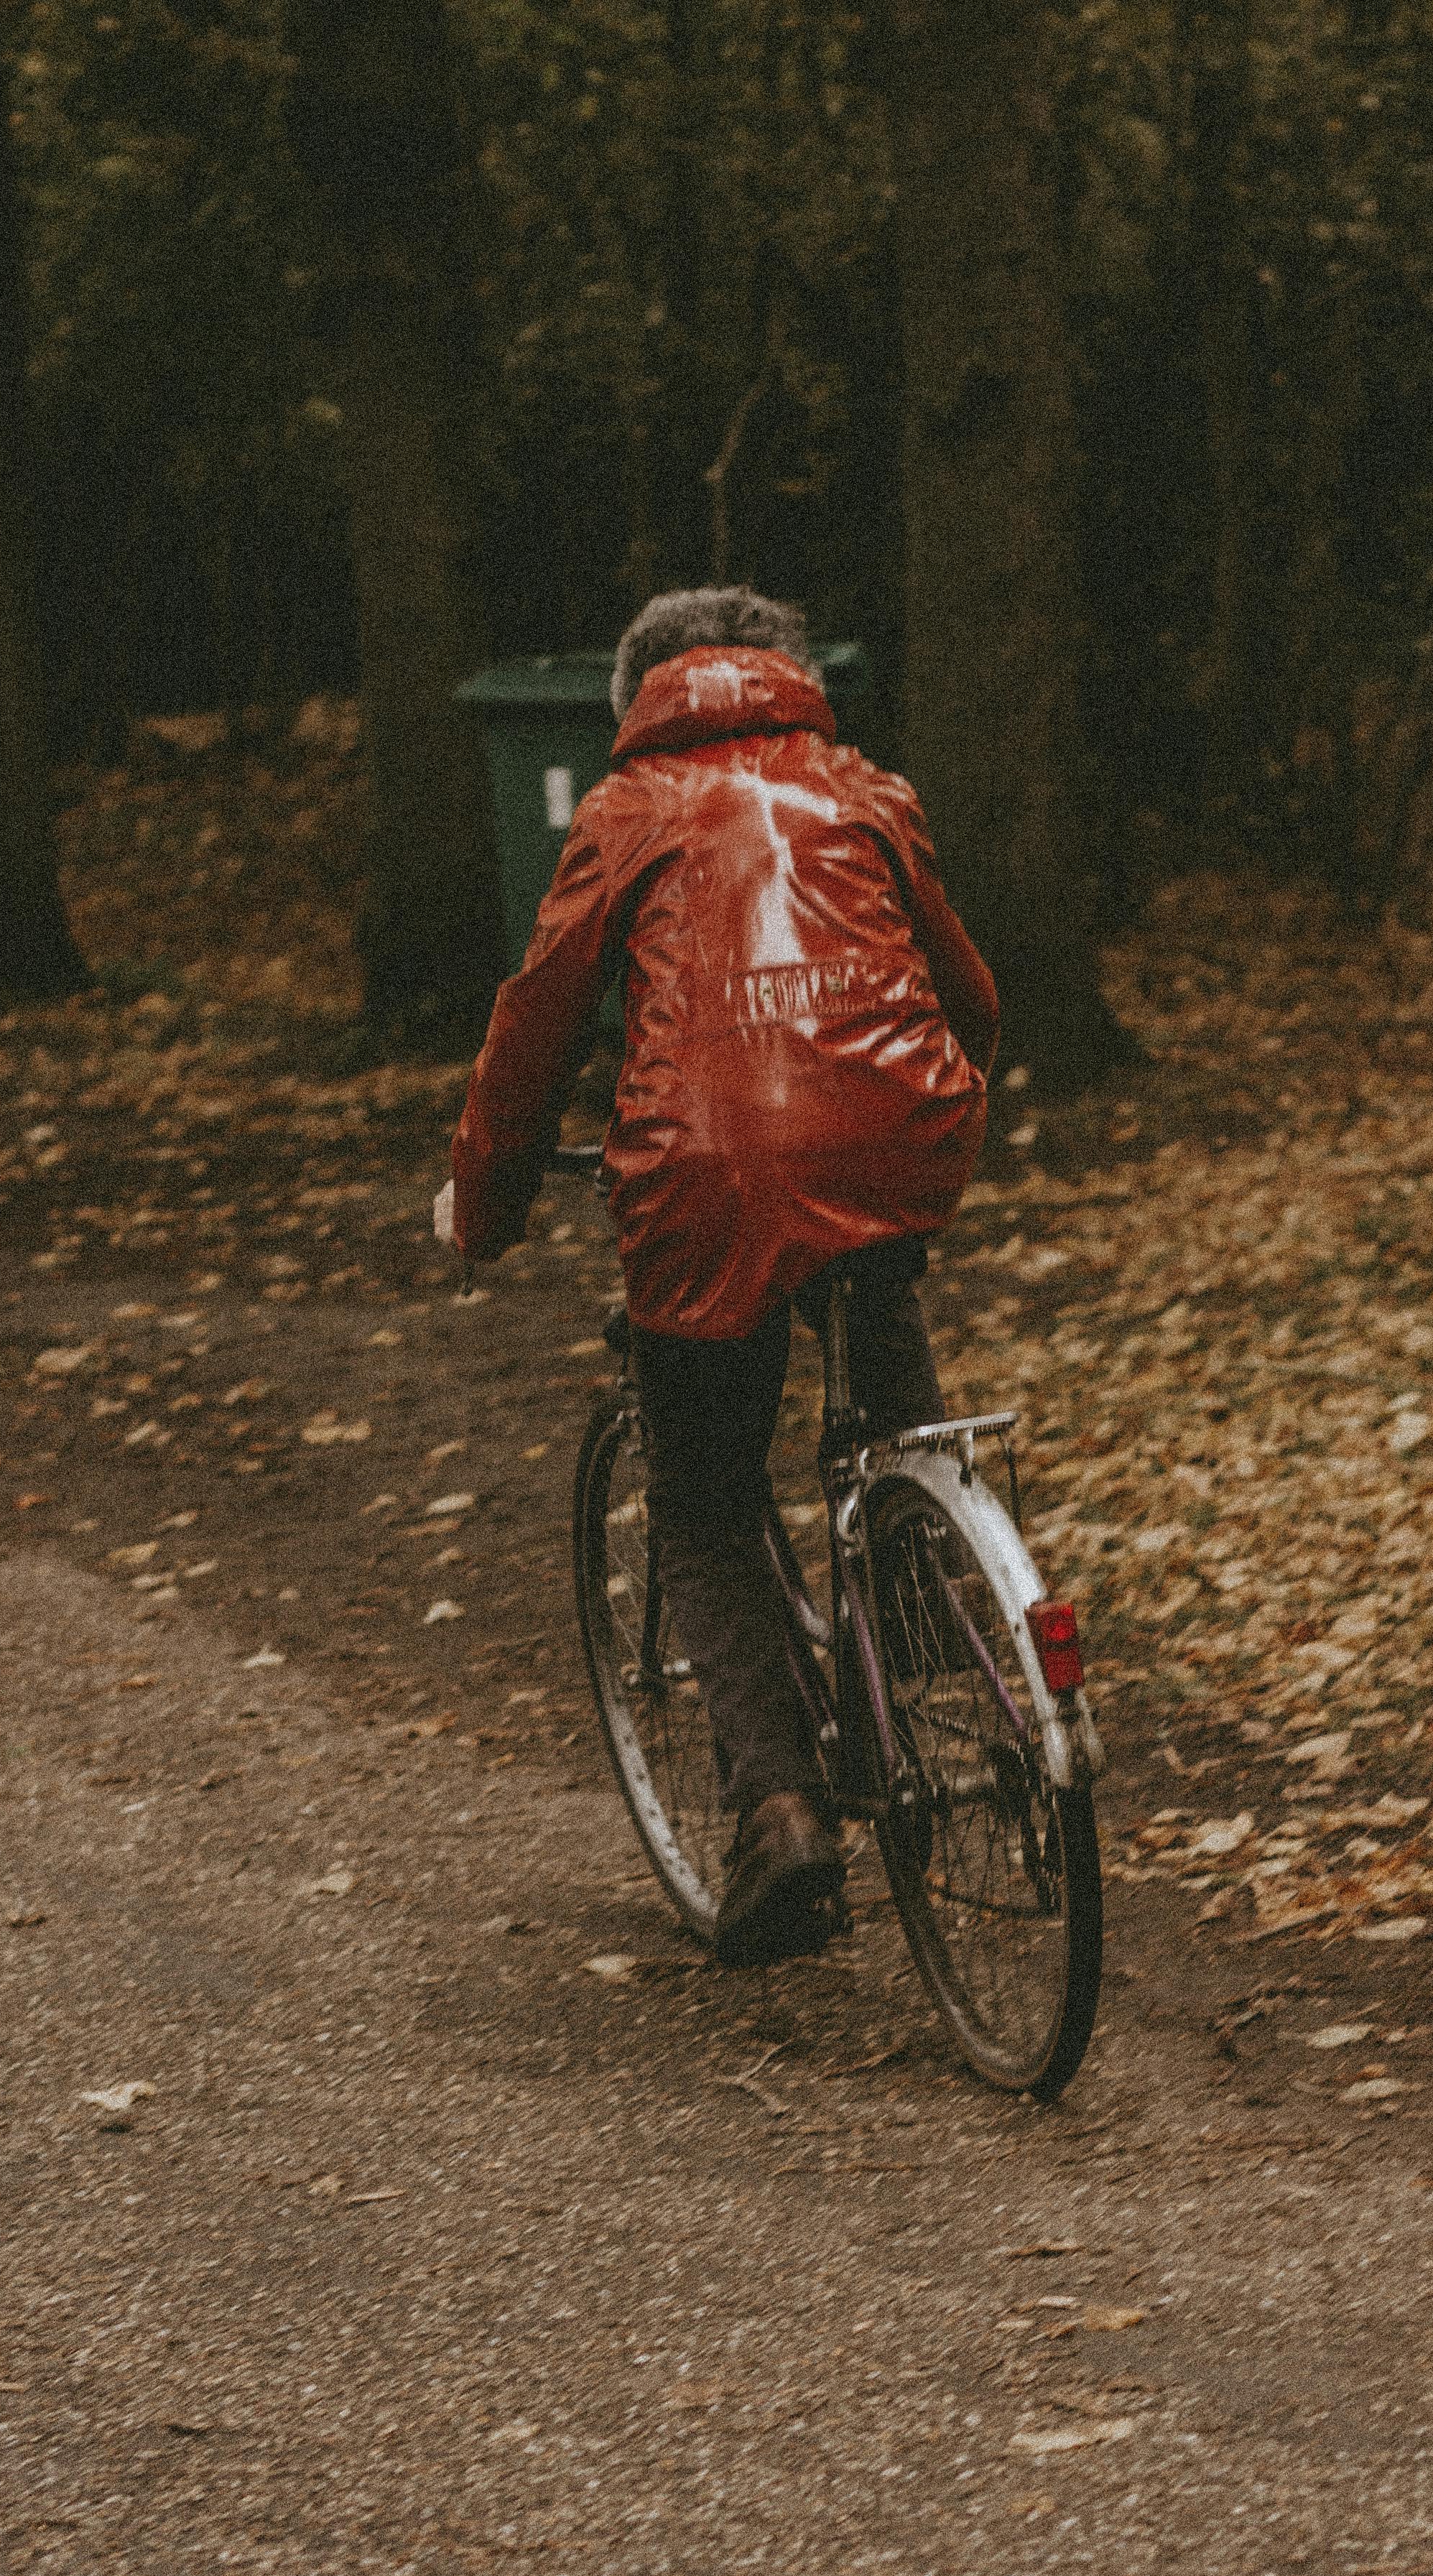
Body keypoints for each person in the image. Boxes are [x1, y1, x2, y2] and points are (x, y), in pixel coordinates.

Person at [439, 585, 1000, 1966]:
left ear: (636, 699)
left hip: (708, 1169)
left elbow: (536, 1030)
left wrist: (484, 1202)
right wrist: (928, 1109)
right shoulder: (865, 787)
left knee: (699, 1496)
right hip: (893, 1130)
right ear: (791, 674)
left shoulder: (625, 813)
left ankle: (781, 1816)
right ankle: (925, 1627)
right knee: (887, 1376)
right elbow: (971, 996)